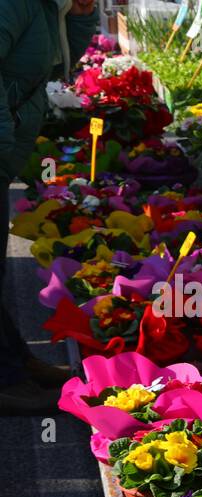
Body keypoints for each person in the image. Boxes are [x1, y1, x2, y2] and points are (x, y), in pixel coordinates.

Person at [1, 0, 100, 414]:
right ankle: (7, 382)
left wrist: (79, 15)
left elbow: (58, 63)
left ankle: (15, 365)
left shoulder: (44, 5)